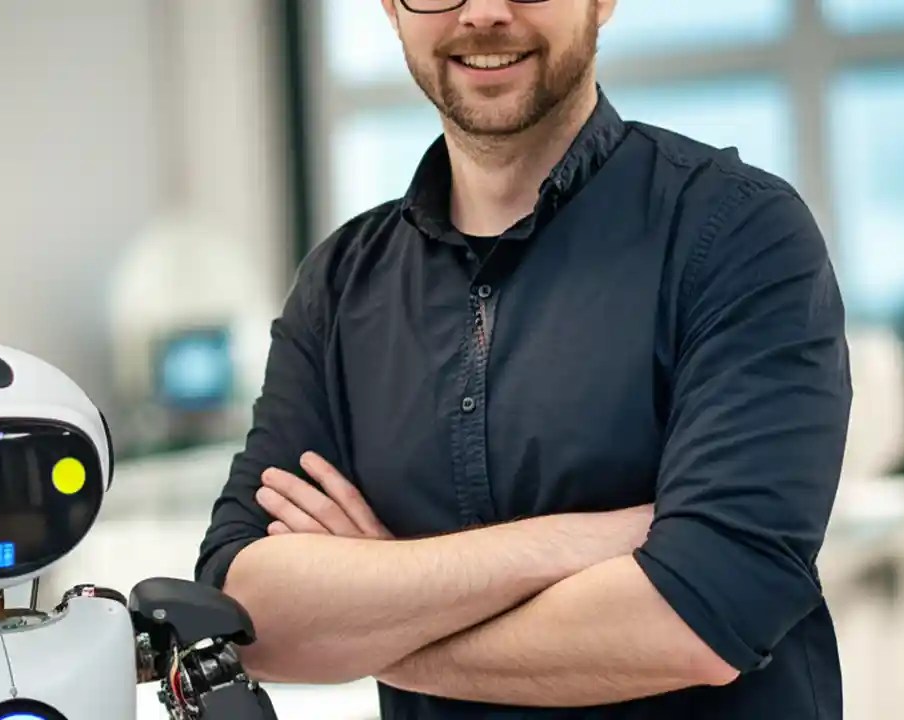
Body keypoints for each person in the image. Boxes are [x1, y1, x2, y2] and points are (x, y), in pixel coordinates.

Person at [196, 0, 852, 717]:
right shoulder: (340, 284)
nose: (483, 13)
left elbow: (702, 617)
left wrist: (365, 622)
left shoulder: (738, 233)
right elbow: (243, 613)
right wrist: (576, 542)